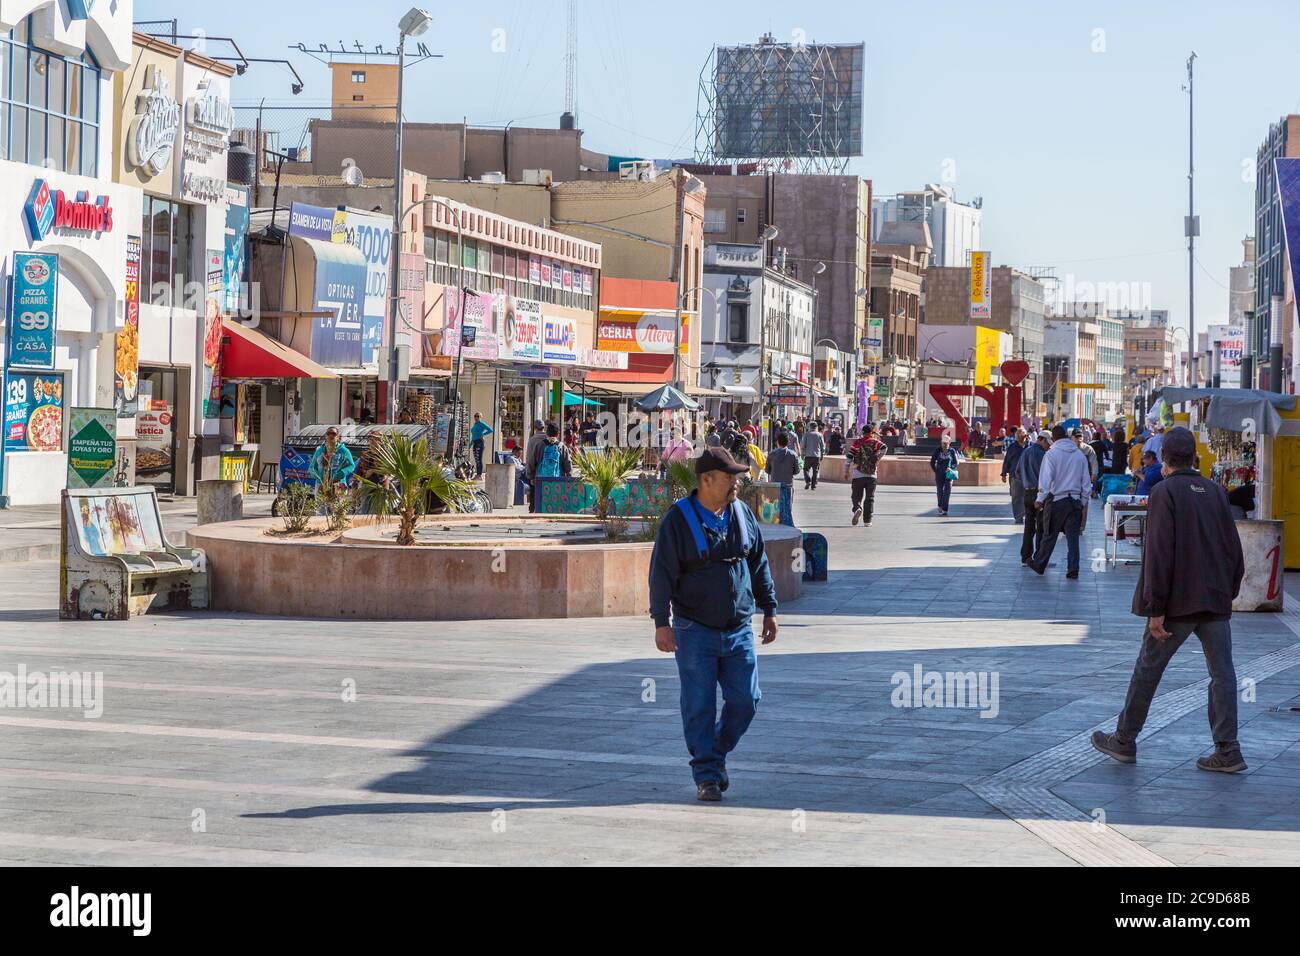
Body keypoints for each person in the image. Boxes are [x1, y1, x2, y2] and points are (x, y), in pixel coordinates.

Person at [1091, 427, 1248, 773]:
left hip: (1178, 603)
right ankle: (1228, 749)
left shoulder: (1164, 492)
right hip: (1214, 601)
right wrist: (1229, 591)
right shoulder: (1215, 491)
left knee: (1147, 670)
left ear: (1164, 458)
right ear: (1194, 457)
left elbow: (1159, 554)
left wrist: (1156, 608)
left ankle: (1125, 739)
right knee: (1223, 675)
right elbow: (1234, 549)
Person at [650, 446, 779, 801]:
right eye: (729, 477)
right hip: (694, 630)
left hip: (738, 629)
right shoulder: (678, 519)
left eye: (736, 477)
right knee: (699, 705)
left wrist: (769, 608)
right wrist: (661, 622)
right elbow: (661, 573)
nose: (736, 483)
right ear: (706, 480)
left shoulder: (741, 513)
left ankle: (716, 752)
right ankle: (706, 774)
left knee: (746, 700)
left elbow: (758, 562)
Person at [1028, 425, 1091, 579]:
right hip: (1074, 500)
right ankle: (1073, 569)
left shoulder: (1051, 454)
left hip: (1056, 500)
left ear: (1053, 438)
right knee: (1073, 538)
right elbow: (1086, 482)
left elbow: (1045, 479)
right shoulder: (1079, 455)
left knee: (1049, 535)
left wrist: (1040, 499)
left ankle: (1039, 564)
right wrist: (1082, 501)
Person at [1016, 430, 1052, 564]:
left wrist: (1027, 480)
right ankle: (1039, 556)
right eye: (1048, 443)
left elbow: (1017, 472)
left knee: (1029, 526)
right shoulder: (1043, 455)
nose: (1049, 446)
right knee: (1041, 526)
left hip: (1027, 492)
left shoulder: (1025, 452)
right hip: (1039, 493)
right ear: (1042, 440)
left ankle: (1025, 556)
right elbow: (1047, 476)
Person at [846, 422, 884, 527]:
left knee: (856, 496)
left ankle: (857, 508)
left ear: (863, 432)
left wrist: (846, 471)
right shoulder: (875, 442)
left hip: (858, 475)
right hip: (871, 475)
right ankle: (867, 521)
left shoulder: (857, 443)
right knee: (869, 498)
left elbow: (849, 457)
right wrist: (878, 458)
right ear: (871, 432)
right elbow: (884, 447)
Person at [765, 430, 800, 526]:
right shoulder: (793, 455)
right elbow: (797, 471)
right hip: (788, 485)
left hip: (774, 486)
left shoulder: (771, 454)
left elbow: (767, 470)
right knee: (787, 508)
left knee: (775, 509)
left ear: (777, 442)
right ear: (788, 442)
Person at [1001, 427, 1029, 523]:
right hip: (1015, 476)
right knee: (1016, 497)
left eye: (1020, 434)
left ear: (1025, 435)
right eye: (1017, 434)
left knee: (1029, 497)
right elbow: (1007, 461)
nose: (1017, 436)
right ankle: (1018, 517)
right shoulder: (1012, 447)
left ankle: (1029, 515)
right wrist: (1003, 473)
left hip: (1029, 476)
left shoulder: (1031, 446)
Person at [929, 435, 960, 516]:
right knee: (940, 491)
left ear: (949, 443)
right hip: (939, 473)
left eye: (946, 443)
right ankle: (940, 505)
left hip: (949, 473)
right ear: (941, 443)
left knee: (947, 491)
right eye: (943, 443)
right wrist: (936, 470)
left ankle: (945, 509)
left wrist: (951, 467)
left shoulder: (952, 451)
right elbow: (932, 462)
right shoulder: (938, 450)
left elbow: (956, 462)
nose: (945, 445)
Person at [523, 419, 550, 512]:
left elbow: (529, 458)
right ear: (543, 427)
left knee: (534, 492)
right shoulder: (548, 438)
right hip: (548, 471)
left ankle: (532, 509)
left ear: (534, 428)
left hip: (536, 471)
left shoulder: (532, 440)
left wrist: (529, 474)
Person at [800, 421, 826, 491]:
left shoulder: (806, 434)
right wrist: (822, 454)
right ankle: (813, 485)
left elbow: (803, 445)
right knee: (815, 471)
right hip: (817, 456)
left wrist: (802, 454)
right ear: (816, 427)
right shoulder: (820, 435)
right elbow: (822, 446)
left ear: (810, 427)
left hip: (808, 455)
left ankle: (808, 481)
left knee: (806, 469)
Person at [1073, 428, 1099, 496]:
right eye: (1077, 436)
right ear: (1072, 437)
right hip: (1072, 477)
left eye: (1080, 436)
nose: (1079, 438)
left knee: (1084, 496)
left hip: (1085, 476)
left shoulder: (1088, 448)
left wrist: (1094, 473)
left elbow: (1094, 462)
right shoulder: (1068, 448)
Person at [469, 411, 494, 478]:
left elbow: (490, 430)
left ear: (480, 417)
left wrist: (483, 434)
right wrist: (470, 444)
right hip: (475, 442)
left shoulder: (481, 423)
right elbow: (474, 435)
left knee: (479, 459)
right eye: (475, 416)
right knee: (476, 459)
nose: (476, 417)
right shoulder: (475, 424)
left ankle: (479, 475)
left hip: (479, 443)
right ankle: (478, 474)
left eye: (478, 416)